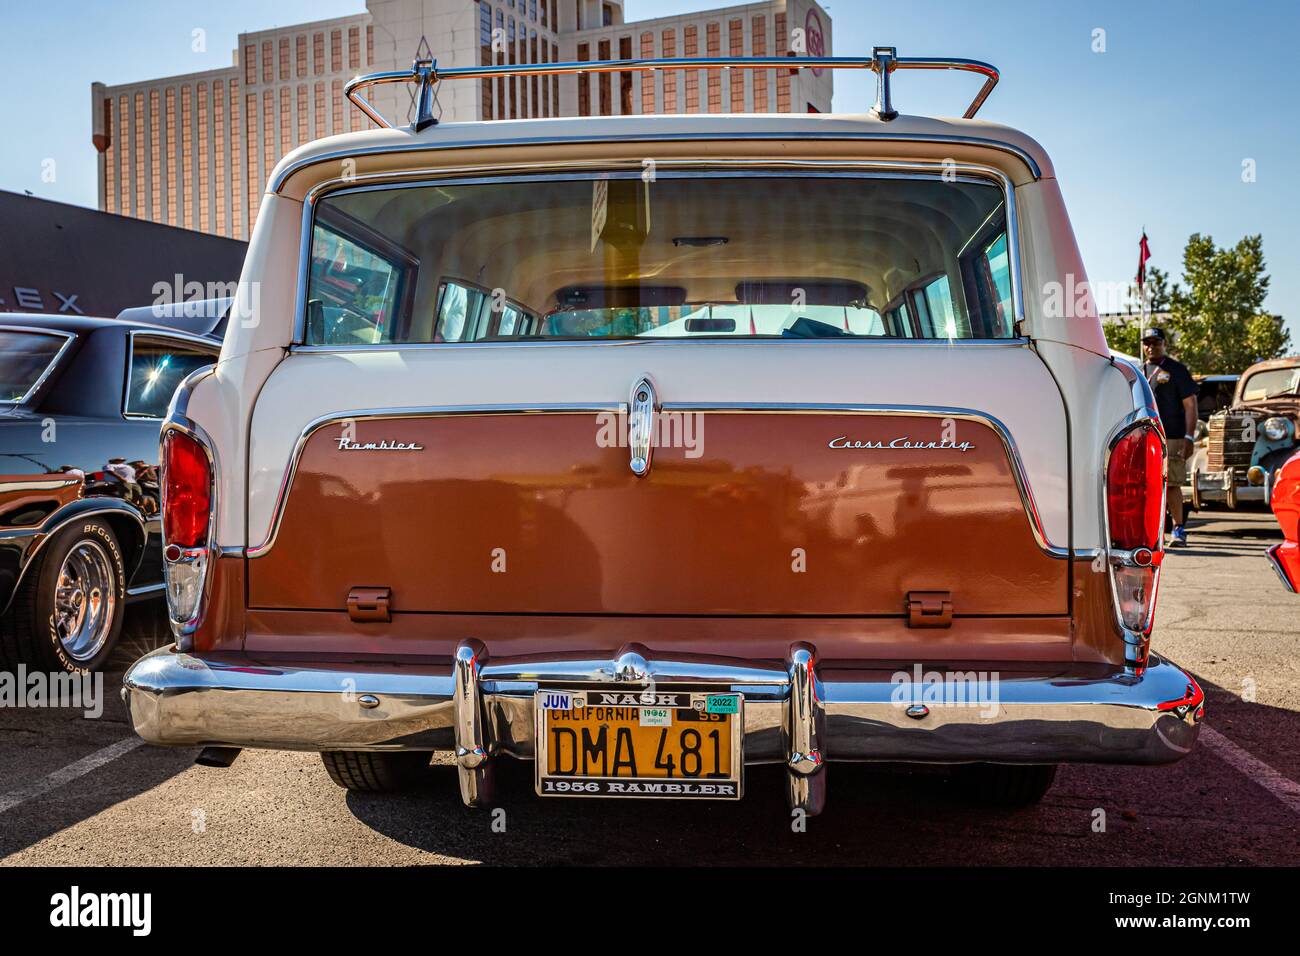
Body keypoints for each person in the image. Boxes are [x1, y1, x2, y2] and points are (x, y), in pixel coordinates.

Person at [1140, 328, 1198, 547]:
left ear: (1164, 344)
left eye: (1156, 342)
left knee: (1172, 484)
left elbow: (1190, 404)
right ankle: (1153, 533)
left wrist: (1189, 437)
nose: (1151, 346)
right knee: (1147, 486)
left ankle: (1178, 529)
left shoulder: (1176, 370)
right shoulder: (1139, 370)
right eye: (1147, 342)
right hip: (1145, 437)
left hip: (1171, 436)